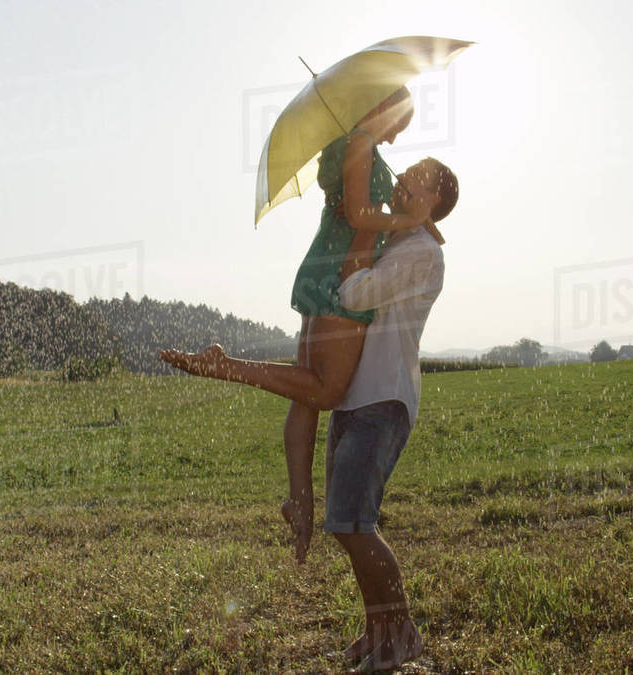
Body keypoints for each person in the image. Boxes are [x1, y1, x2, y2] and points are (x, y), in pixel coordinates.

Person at [160, 157, 458, 670]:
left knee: (353, 524)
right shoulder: (397, 240)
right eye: (406, 172)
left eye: (416, 180)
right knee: (347, 521)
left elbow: (354, 292)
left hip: (382, 400)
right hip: (354, 399)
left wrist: (363, 241)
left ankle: (401, 632)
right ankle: (377, 629)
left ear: (434, 201)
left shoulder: (422, 253)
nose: (403, 181)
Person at [160, 86, 430, 565]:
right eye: (398, 126)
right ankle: (229, 367)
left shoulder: (344, 141)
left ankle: (299, 500)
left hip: (321, 265)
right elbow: (358, 212)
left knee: (306, 394)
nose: (392, 140)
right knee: (324, 391)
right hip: (335, 280)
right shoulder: (362, 142)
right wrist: (401, 217)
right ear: (384, 106)